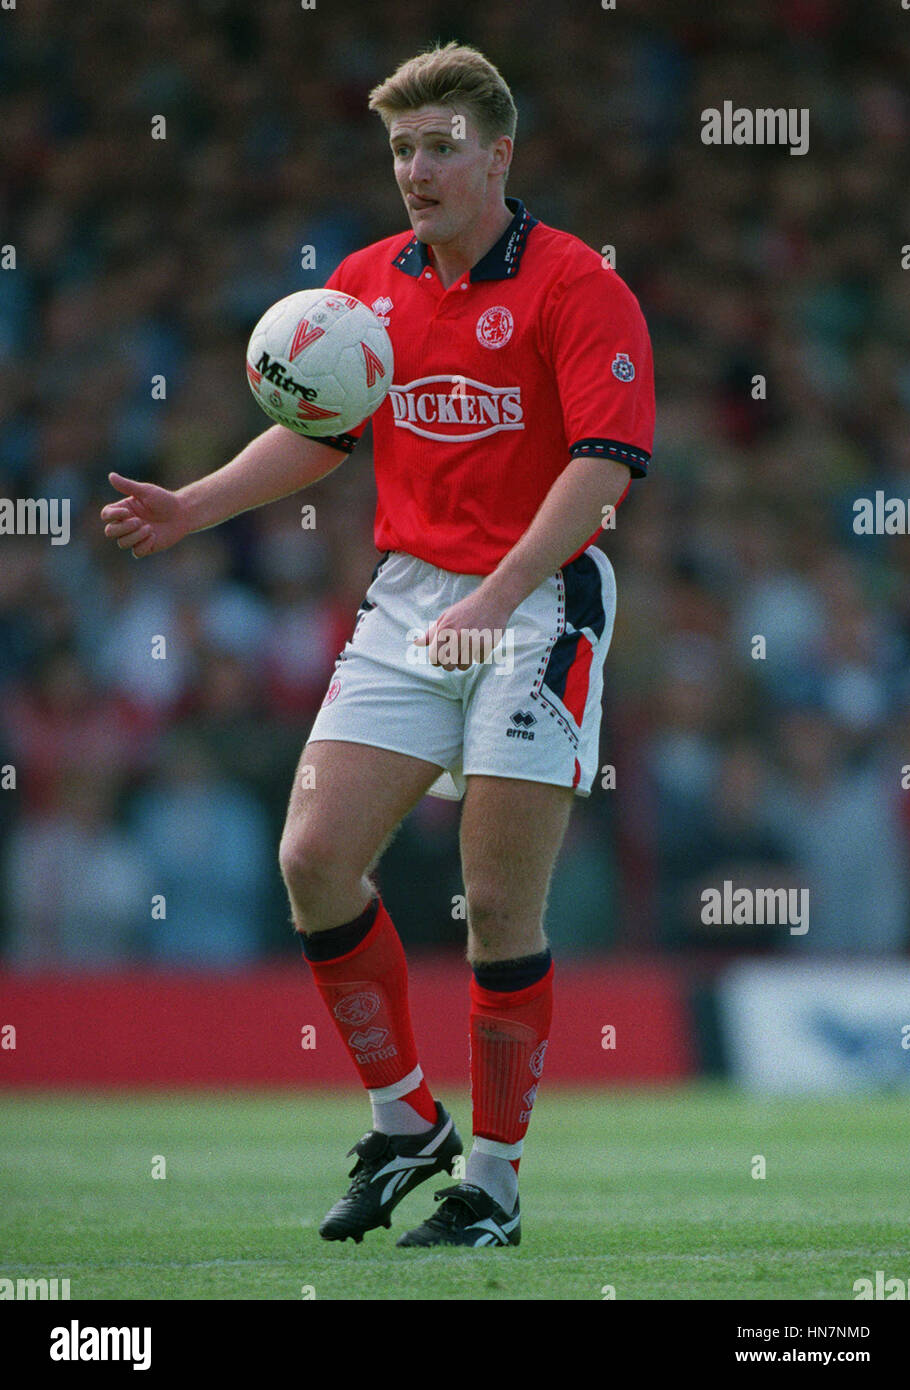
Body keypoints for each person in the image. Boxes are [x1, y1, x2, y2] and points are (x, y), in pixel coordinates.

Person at [101, 42, 655, 1248]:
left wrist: (497, 595)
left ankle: (494, 1185)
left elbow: (602, 468)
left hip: (540, 600)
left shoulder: (574, 286)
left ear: (497, 155)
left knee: (498, 899)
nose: (415, 168)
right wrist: (194, 506)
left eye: (439, 146)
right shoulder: (364, 283)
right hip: (408, 600)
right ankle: (407, 1120)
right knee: (311, 856)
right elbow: (320, 431)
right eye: (401, 148)